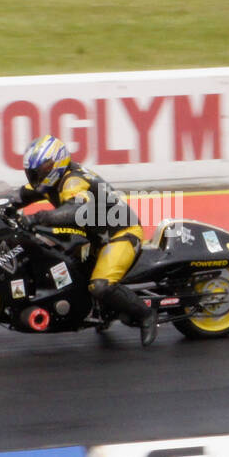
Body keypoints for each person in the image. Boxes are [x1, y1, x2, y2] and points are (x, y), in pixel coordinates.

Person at [12, 135, 158, 346]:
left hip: (120, 234)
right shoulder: (51, 181)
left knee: (100, 286)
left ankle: (146, 316)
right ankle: (101, 312)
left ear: (57, 162)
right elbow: (18, 195)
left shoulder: (73, 182)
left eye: (43, 168)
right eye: (35, 170)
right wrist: (0, 207)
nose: (38, 174)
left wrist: (37, 217)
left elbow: (75, 211)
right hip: (95, 236)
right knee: (65, 264)